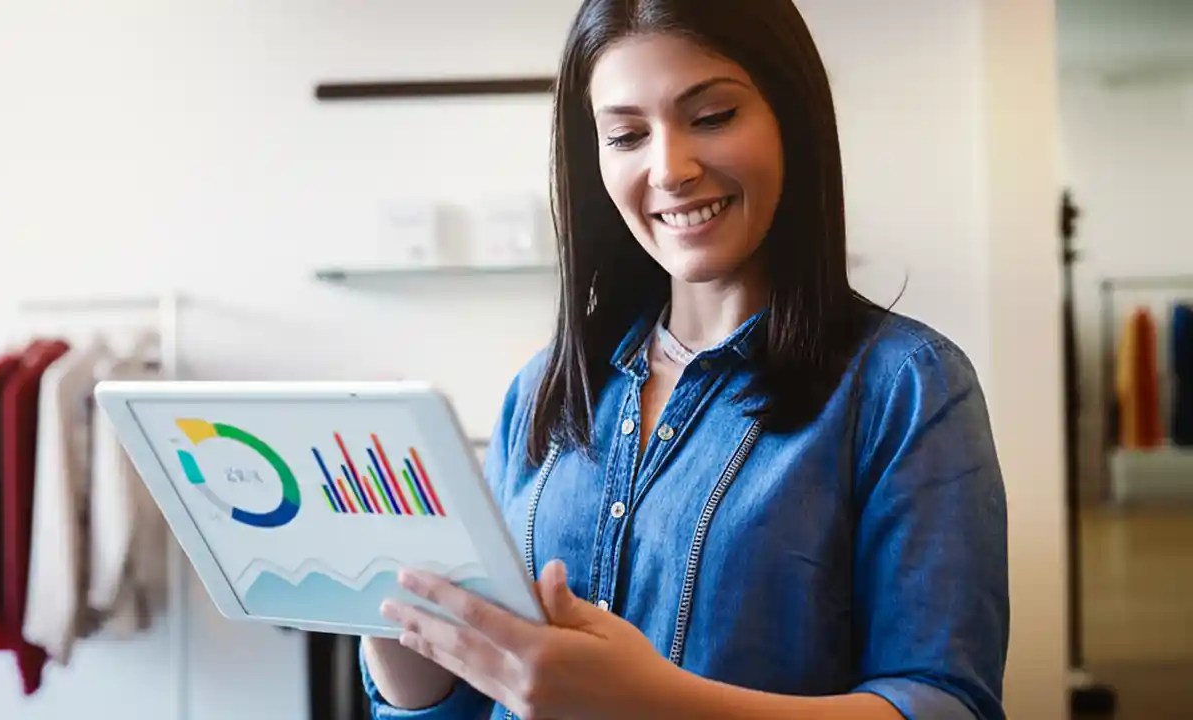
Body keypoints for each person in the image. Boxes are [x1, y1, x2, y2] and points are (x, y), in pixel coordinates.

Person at [361, 0, 1009, 718]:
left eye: (712, 117)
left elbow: (946, 704)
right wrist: (391, 622)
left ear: (790, 118)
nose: (669, 169)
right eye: (628, 134)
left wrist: (654, 702)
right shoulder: (544, 390)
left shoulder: (906, 385)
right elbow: (468, 704)